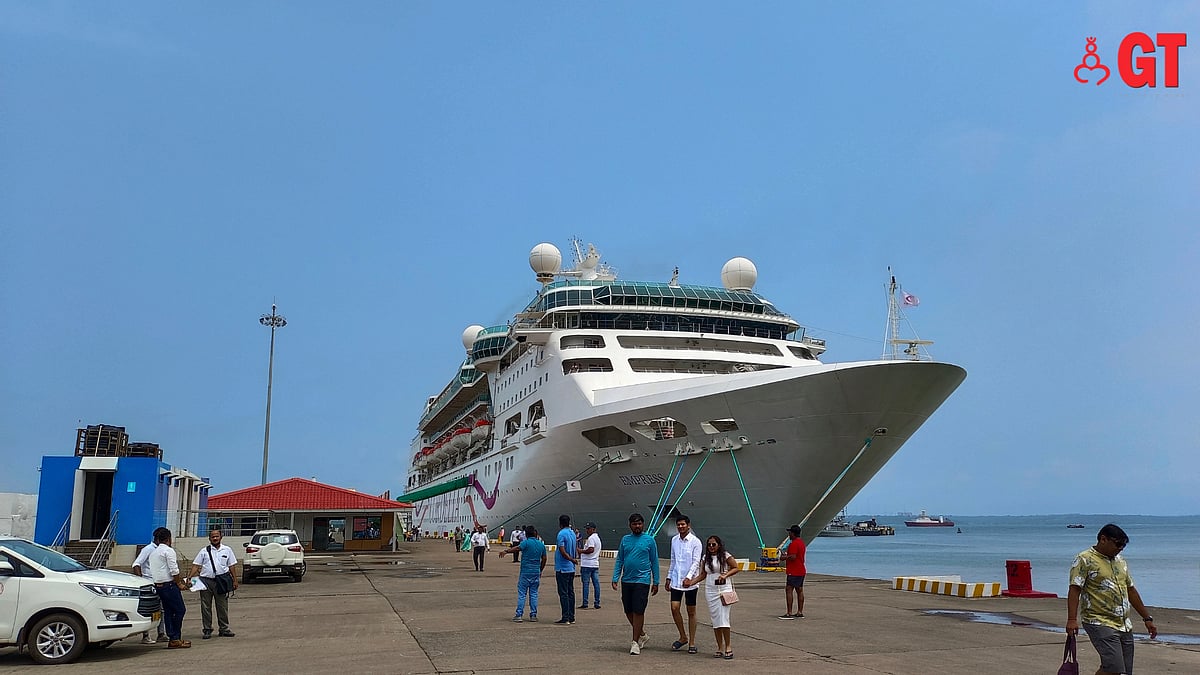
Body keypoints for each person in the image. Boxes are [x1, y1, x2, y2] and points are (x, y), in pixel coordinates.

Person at [1066, 523, 1158, 675]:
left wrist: (1147, 618)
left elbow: (1131, 590)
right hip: (1098, 621)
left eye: (1123, 545)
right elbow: (1075, 589)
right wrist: (1071, 619)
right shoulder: (1084, 559)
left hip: (1123, 624)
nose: (1121, 548)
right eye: (1118, 544)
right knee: (1114, 667)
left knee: (1124, 671)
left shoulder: (1121, 561)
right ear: (1103, 539)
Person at [610, 512, 660, 655]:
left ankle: (634, 642)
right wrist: (615, 577)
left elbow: (654, 561)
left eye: (639, 523)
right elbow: (620, 559)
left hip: (642, 580)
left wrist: (656, 581)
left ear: (643, 524)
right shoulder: (625, 540)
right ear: (630, 525)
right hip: (627, 580)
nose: (637, 526)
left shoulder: (649, 540)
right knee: (628, 610)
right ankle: (642, 634)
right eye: (634, 524)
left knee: (638, 610)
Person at [685, 534, 739, 659]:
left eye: (713, 544)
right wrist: (690, 582)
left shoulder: (725, 555)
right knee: (715, 620)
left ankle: (728, 646)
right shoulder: (705, 557)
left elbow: (736, 567)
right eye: (709, 545)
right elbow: (702, 575)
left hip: (724, 589)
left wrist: (725, 575)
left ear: (719, 545)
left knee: (724, 618)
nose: (711, 547)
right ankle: (719, 647)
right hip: (711, 590)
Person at [187, 528, 240, 639]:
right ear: (209, 538)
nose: (215, 538)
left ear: (221, 537)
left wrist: (235, 580)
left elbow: (231, 566)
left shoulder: (227, 550)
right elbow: (196, 565)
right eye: (212, 536)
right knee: (205, 607)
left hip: (221, 582)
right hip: (206, 581)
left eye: (217, 536)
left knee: (222, 606)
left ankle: (224, 629)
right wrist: (189, 577)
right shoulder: (204, 551)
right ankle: (207, 629)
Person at [148, 527, 190, 649]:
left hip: (159, 586)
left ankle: (172, 637)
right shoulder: (168, 551)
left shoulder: (154, 552)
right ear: (168, 539)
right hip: (169, 585)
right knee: (180, 610)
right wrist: (179, 584)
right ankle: (175, 637)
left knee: (168, 611)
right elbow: (174, 570)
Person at [666, 514, 703, 653]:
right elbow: (673, 560)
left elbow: (696, 562)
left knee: (691, 611)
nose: (681, 527)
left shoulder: (695, 542)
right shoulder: (674, 540)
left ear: (689, 525)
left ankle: (692, 642)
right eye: (679, 525)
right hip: (676, 580)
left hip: (690, 583)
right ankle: (683, 636)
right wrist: (669, 577)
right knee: (674, 608)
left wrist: (688, 578)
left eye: (683, 524)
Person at [500, 525, 546, 622]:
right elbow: (544, 558)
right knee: (534, 594)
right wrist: (540, 570)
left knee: (522, 594)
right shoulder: (541, 544)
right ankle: (533, 615)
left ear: (526, 534)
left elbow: (517, 548)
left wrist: (506, 551)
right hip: (535, 572)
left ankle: (519, 614)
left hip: (525, 572)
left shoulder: (526, 543)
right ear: (535, 533)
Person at [131, 537, 167, 644]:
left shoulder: (161, 550)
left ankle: (161, 633)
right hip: (149, 583)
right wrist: (141, 580)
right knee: (149, 609)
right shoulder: (148, 549)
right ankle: (146, 635)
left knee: (161, 609)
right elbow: (136, 564)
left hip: (159, 582)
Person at [554, 514, 579, 624]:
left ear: (560, 523)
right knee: (570, 592)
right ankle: (572, 616)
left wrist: (571, 559)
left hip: (562, 568)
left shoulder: (561, 534)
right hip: (571, 569)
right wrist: (573, 560)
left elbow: (562, 550)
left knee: (563, 593)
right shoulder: (573, 533)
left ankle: (565, 617)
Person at [779, 524, 806, 619]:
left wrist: (783, 557)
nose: (789, 534)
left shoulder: (793, 543)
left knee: (789, 590)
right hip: (801, 570)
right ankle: (800, 611)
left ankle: (789, 612)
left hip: (794, 571)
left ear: (793, 533)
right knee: (799, 590)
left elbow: (793, 556)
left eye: (790, 533)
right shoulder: (801, 543)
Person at [578, 521, 602, 610]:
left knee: (586, 584)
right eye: (586, 529)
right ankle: (597, 602)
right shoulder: (597, 538)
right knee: (596, 584)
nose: (587, 530)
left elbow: (591, 549)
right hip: (595, 564)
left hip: (587, 564)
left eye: (588, 529)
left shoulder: (591, 538)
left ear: (593, 529)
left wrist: (581, 551)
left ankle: (585, 602)